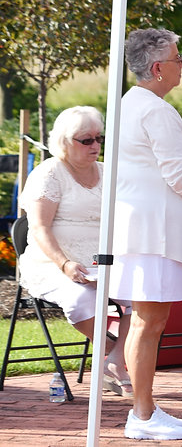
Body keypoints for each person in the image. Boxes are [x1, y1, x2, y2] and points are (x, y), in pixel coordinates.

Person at [109, 28, 182, 441]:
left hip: (146, 229)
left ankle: (146, 408)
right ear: (157, 68)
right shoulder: (154, 109)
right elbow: (177, 175)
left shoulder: (132, 103)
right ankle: (141, 415)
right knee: (149, 321)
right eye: (178, 58)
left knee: (148, 320)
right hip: (154, 233)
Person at [18, 106, 133, 397]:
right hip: (53, 263)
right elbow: (40, 229)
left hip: (103, 261)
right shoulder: (49, 174)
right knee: (82, 299)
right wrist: (65, 264)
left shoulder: (108, 173)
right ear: (65, 142)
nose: (95, 145)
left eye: (99, 139)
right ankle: (113, 351)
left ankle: (115, 361)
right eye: (86, 140)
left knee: (145, 294)